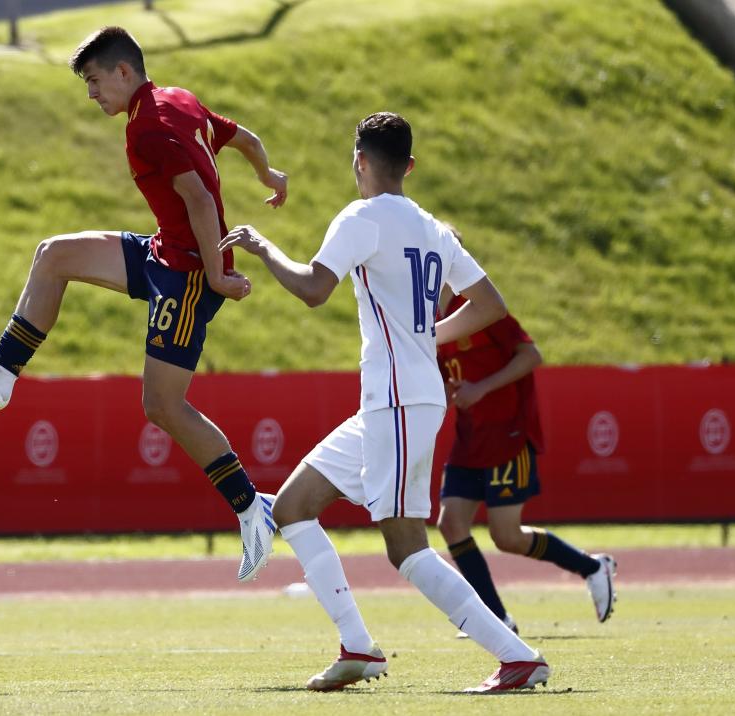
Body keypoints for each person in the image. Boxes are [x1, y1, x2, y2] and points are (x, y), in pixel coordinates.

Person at [0, 26, 286, 582]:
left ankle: (249, 507)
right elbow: (240, 137)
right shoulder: (177, 100)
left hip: (188, 275)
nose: (91, 93)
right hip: (164, 254)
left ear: (124, 72)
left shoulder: (150, 127)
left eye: (94, 81)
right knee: (53, 255)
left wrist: (217, 275)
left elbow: (197, 199)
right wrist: (268, 174)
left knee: (162, 406)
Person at [221, 112, 549, 692]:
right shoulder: (431, 226)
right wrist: (427, 336)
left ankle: (516, 655)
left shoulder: (362, 216)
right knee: (294, 505)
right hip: (397, 402)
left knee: (406, 547)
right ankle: (358, 647)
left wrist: (264, 248)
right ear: (411, 166)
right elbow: (489, 303)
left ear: (359, 162)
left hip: (398, 401)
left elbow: (314, 290)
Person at [434, 237, 616, 635]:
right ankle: (496, 618)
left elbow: (531, 355)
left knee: (507, 536)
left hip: (506, 435)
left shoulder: (481, 308)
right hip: (469, 439)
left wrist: (482, 388)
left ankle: (592, 566)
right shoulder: (431, 318)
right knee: (451, 524)